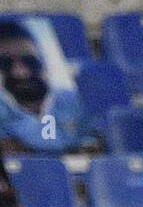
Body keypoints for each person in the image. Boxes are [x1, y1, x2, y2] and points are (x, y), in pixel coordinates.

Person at [0, 20, 89, 154]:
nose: (20, 73)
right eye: (5, 63)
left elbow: (95, 148)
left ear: (44, 61)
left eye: (29, 61)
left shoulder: (71, 101)